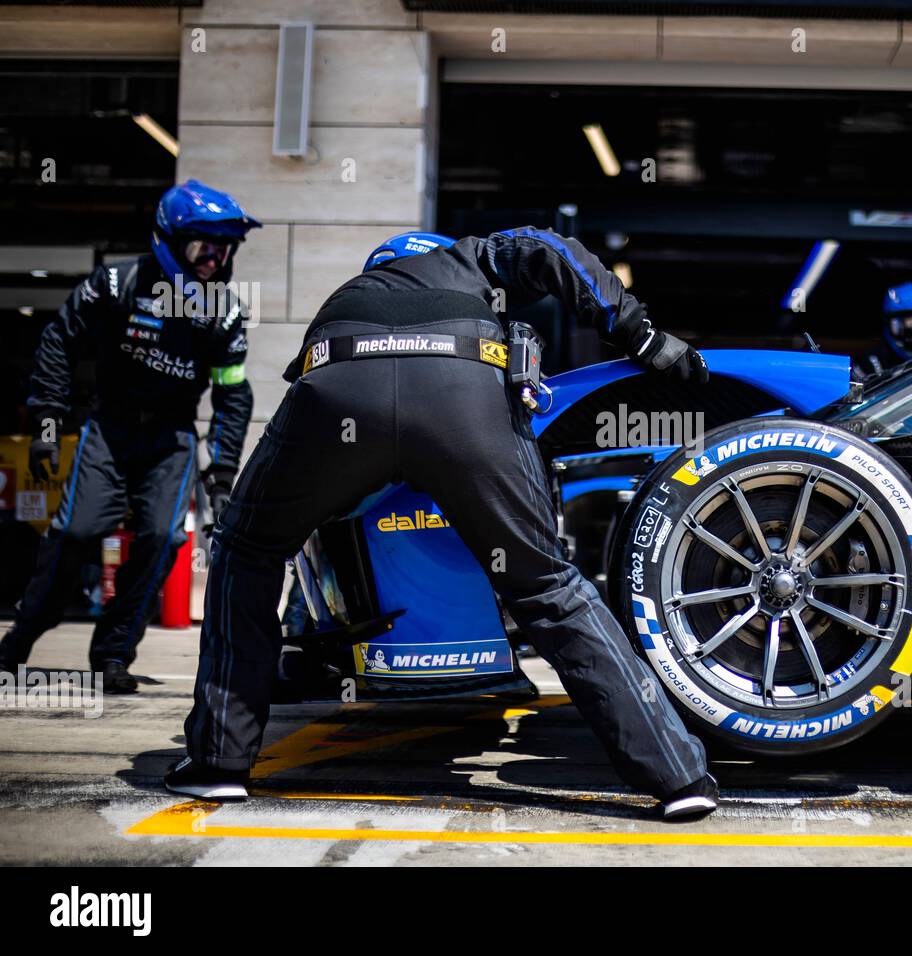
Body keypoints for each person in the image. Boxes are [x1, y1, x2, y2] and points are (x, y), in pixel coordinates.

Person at [169, 228, 721, 820]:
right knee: (548, 587)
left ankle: (219, 763)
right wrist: (642, 336)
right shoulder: (469, 257)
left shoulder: (352, 293)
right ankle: (678, 777)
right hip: (461, 386)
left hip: (340, 383)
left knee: (246, 551)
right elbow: (547, 248)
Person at [0, 180, 258, 692]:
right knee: (75, 534)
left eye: (222, 249)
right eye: (203, 247)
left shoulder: (224, 312)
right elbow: (58, 342)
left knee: (162, 538)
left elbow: (233, 393)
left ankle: (114, 653)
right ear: (168, 242)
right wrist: (48, 421)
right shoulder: (115, 284)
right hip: (109, 429)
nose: (213, 260)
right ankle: (19, 640)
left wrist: (223, 471)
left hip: (171, 439)